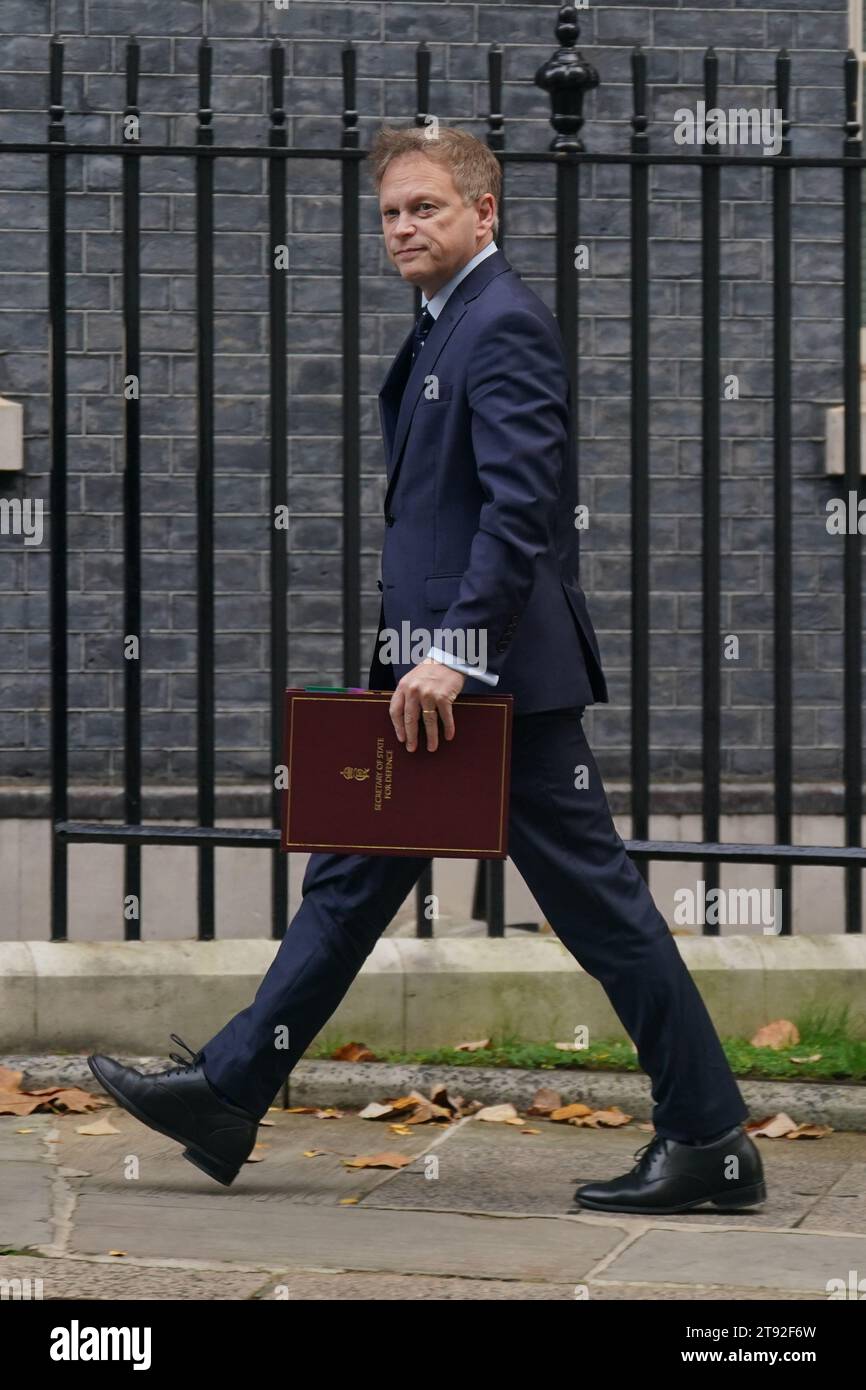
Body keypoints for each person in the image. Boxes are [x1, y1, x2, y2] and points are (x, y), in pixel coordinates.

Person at [89, 126, 766, 1215]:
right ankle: (229, 1087)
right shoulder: (446, 323)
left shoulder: (501, 326)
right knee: (349, 886)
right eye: (392, 212)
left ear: (482, 213)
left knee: (602, 915)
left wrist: (455, 650)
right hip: (432, 683)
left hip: (493, 689)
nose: (403, 227)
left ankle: (709, 1140)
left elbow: (518, 511)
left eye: (426, 209)